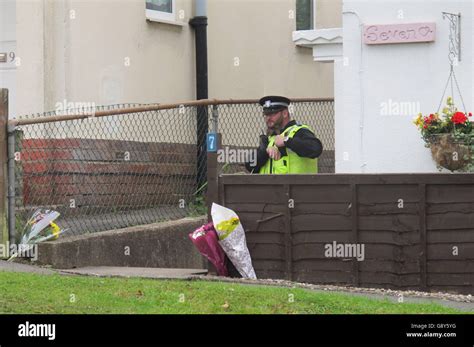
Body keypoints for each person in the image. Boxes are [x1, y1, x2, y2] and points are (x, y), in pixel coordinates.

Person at [245, 96, 323, 174]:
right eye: (266, 114)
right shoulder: (270, 139)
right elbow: (249, 165)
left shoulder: (299, 131)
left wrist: (286, 141)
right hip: (270, 185)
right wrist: (265, 152)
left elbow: (316, 148)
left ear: (285, 113)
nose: (268, 118)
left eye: (272, 113)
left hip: (298, 185)